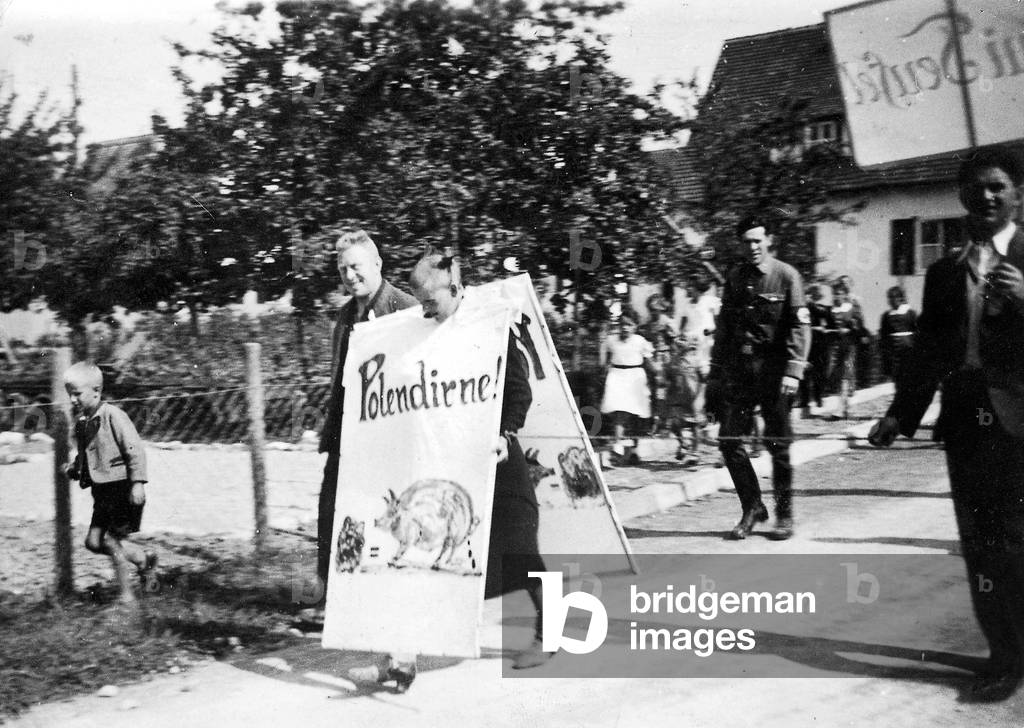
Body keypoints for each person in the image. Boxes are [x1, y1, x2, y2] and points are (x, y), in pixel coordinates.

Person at [349, 252, 550, 691]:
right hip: (447, 467)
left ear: (456, 291)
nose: (423, 309)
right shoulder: (419, 336)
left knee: (519, 550)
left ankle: (547, 632)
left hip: (499, 462)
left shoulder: (491, 328)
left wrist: (505, 433)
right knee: (428, 562)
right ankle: (401, 660)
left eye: (430, 300)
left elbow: (518, 392)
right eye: (419, 301)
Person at [869, 148, 1024, 702]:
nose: (986, 196)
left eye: (998, 186)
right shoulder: (943, 272)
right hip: (967, 425)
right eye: (976, 187)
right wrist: (899, 414)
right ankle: (1004, 656)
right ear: (961, 197)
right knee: (983, 545)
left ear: (1017, 195)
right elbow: (928, 354)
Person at [316, 230, 417, 601]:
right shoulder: (344, 315)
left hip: (391, 432)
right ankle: (333, 596)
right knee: (332, 508)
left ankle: (388, 597)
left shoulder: (404, 307)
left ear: (377, 263)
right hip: (346, 432)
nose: (350, 276)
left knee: (388, 513)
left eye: (356, 267)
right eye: (343, 269)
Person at [706, 216, 810, 540]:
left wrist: (793, 370)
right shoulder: (735, 278)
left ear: (769, 240)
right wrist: (715, 374)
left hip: (776, 373)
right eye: (746, 241)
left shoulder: (786, 276)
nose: (752, 247)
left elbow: (799, 326)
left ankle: (784, 515)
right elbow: (724, 329)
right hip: (741, 373)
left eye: (757, 240)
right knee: (729, 440)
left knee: (777, 444)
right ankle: (752, 506)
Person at [65, 361, 156, 605]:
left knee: (111, 541)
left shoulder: (113, 416)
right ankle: (143, 559)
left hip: (121, 488)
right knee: (93, 542)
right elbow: (86, 455)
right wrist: (75, 469)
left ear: (96, 390)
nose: (72, 400)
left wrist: (138, 483)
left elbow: (134, 450)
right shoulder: (83, 422)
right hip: (101, 493)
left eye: (76, 394)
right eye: (69, 395)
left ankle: (126, 597)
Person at [600, 311, 653, 465]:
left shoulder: (640, 341)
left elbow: (650, 362)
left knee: (634, 415)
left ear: (635, 326)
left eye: (629, 324)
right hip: (616, 375)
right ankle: (618, 445)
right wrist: (603, 364)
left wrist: (658, 375)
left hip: (635, 377)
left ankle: (630, 452)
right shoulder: (611, 340)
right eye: (623, 324)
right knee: (619, 411)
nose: (625, 328)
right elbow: (603, 352)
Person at [640, 293, 676, 435]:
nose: (653, 312)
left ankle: (666, 422)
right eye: (651, 309)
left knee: (666, 390)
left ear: (661, 308)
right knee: (653, 390)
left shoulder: (667, 322)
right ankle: (655, 421)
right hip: (652, 358)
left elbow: (674, 342)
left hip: (666, 357)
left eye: (655, 309)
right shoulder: (648, 323)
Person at [798, 283, 832, 414]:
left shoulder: (824, 308)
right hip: (807, 341)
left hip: (821, 343)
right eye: (812, 293)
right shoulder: (805, 306)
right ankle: (805, 399)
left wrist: (825, 329)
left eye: (815, 293)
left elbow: (829, 322)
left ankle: (818, 396)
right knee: (805, 371)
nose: (813, 295)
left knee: (819, 371)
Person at [878, 285, 917, 385]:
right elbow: (883, 334)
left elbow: (917, 331)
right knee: (896, 375)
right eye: (889, 298)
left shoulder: (911, 313)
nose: (890, 301)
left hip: (908, 349)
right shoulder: (886, 316)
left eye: (893, 297)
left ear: (900, 298)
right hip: (893, 352)